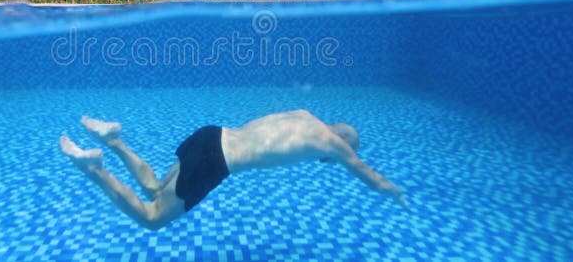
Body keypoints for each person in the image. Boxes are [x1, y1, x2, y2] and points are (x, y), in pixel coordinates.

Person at [60, 110, 406, 231]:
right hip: (218, 161)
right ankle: (91, 168)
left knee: (153, 188)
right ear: (344, 144)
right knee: (152, 218)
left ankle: (114, 140)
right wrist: (395, 191)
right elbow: (370, 177)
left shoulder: (305, 115)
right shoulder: (332, 144)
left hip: (212, 134)